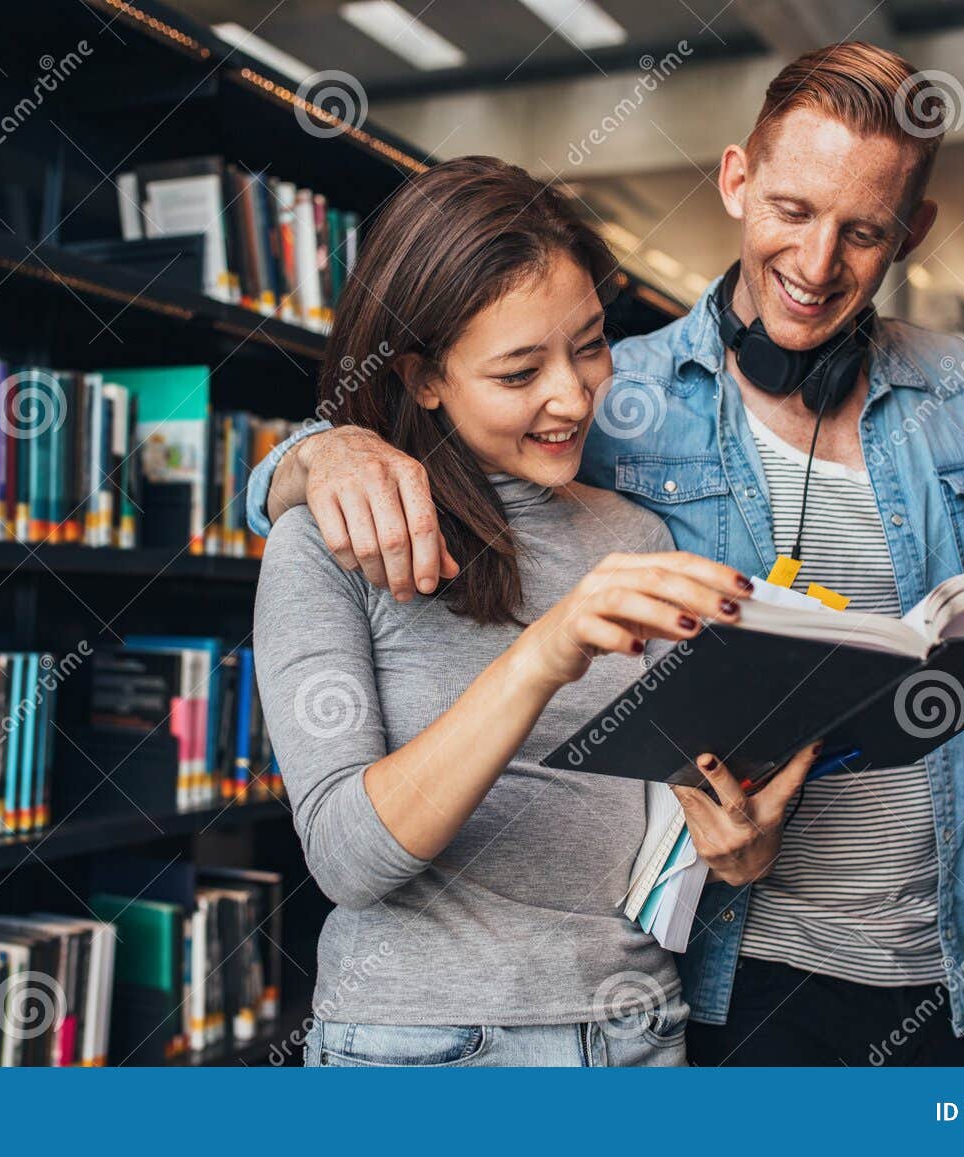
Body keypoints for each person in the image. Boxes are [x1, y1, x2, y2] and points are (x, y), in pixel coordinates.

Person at [246, 42, 964, 1067]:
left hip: (892, 968)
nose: (817, 264)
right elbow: (443, 436)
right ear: (734, 179)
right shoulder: (621, 407)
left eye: (862, 232)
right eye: (790, 211)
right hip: (701, 988)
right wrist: (310, 451)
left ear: (909, 232)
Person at [252, 155, 818, 1068]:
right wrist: (541, 652)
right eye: (520, 372)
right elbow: (348, 860)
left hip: (636, 1034)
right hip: (423, 1049)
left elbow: (640, 825)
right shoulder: (328, 540)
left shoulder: (636, 532)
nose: (573, 395)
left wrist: (734, 852)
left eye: (590, 344)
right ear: (425, 377)